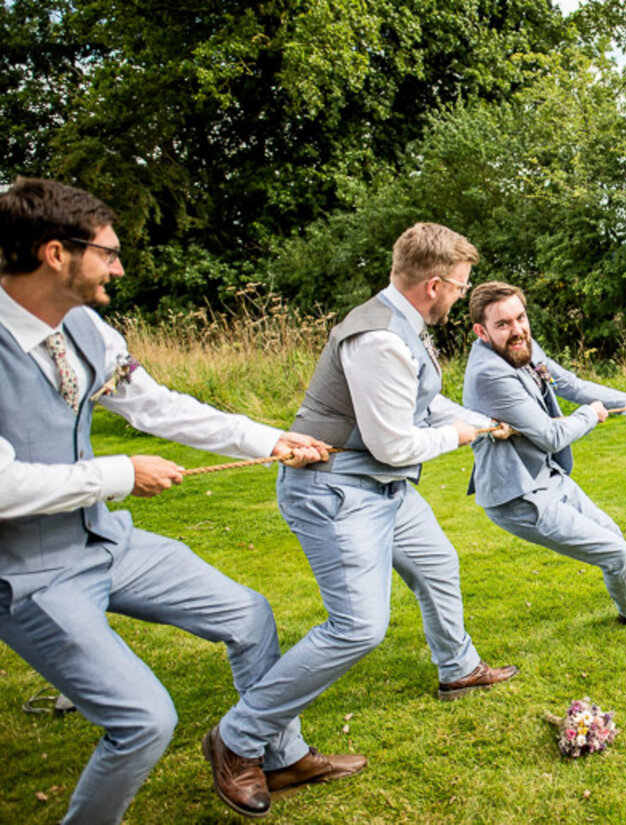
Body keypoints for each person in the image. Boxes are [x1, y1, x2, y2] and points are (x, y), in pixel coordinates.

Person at [0, 177, 353, 825]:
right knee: (144, 719)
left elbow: (158, 407)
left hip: (106, 541)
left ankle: (275, 753)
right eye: (107, 252)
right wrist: (119, 472)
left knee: (249, 615)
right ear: (56, 253)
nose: (119, 266)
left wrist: (269, 437)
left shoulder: (88, 330)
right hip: (28, 574)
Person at [212, 224, 518, 816]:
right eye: (459, 285)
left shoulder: (405, 325)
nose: (461, 294)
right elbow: (395, 444)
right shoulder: (379, 339)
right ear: (433, 284)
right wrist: (458, 437)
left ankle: (458, 669)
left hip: (385, 490)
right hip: (337, 491)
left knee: (438, 562)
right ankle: (237, 740)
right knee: (357, 627)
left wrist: (479, 420)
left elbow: (425, 403)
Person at [461, 281, 626, 623]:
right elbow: (551, 435)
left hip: (545, 474)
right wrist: (590, 414)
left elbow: (570, 384)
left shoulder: (522, 348)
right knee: (614, 551)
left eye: (520, 317)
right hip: (518, 494)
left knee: (611, 530)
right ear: (482, 331)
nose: (517, 330)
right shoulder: (489, 374)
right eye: (503, 324)